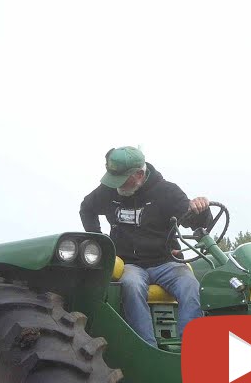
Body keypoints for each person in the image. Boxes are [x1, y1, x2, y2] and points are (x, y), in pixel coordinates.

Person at [80, 146, 211, 347]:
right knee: (131, 285)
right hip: (130, 264)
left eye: (122, 179)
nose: (117, 186)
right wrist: (99, 240)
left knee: (190, 285)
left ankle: (191, 347)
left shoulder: (167, 192)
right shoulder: (108, 191)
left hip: (166, 262)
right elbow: (86, 208)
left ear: (139, 174)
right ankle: (147, 347)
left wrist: (200, 210)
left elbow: (196, 223)